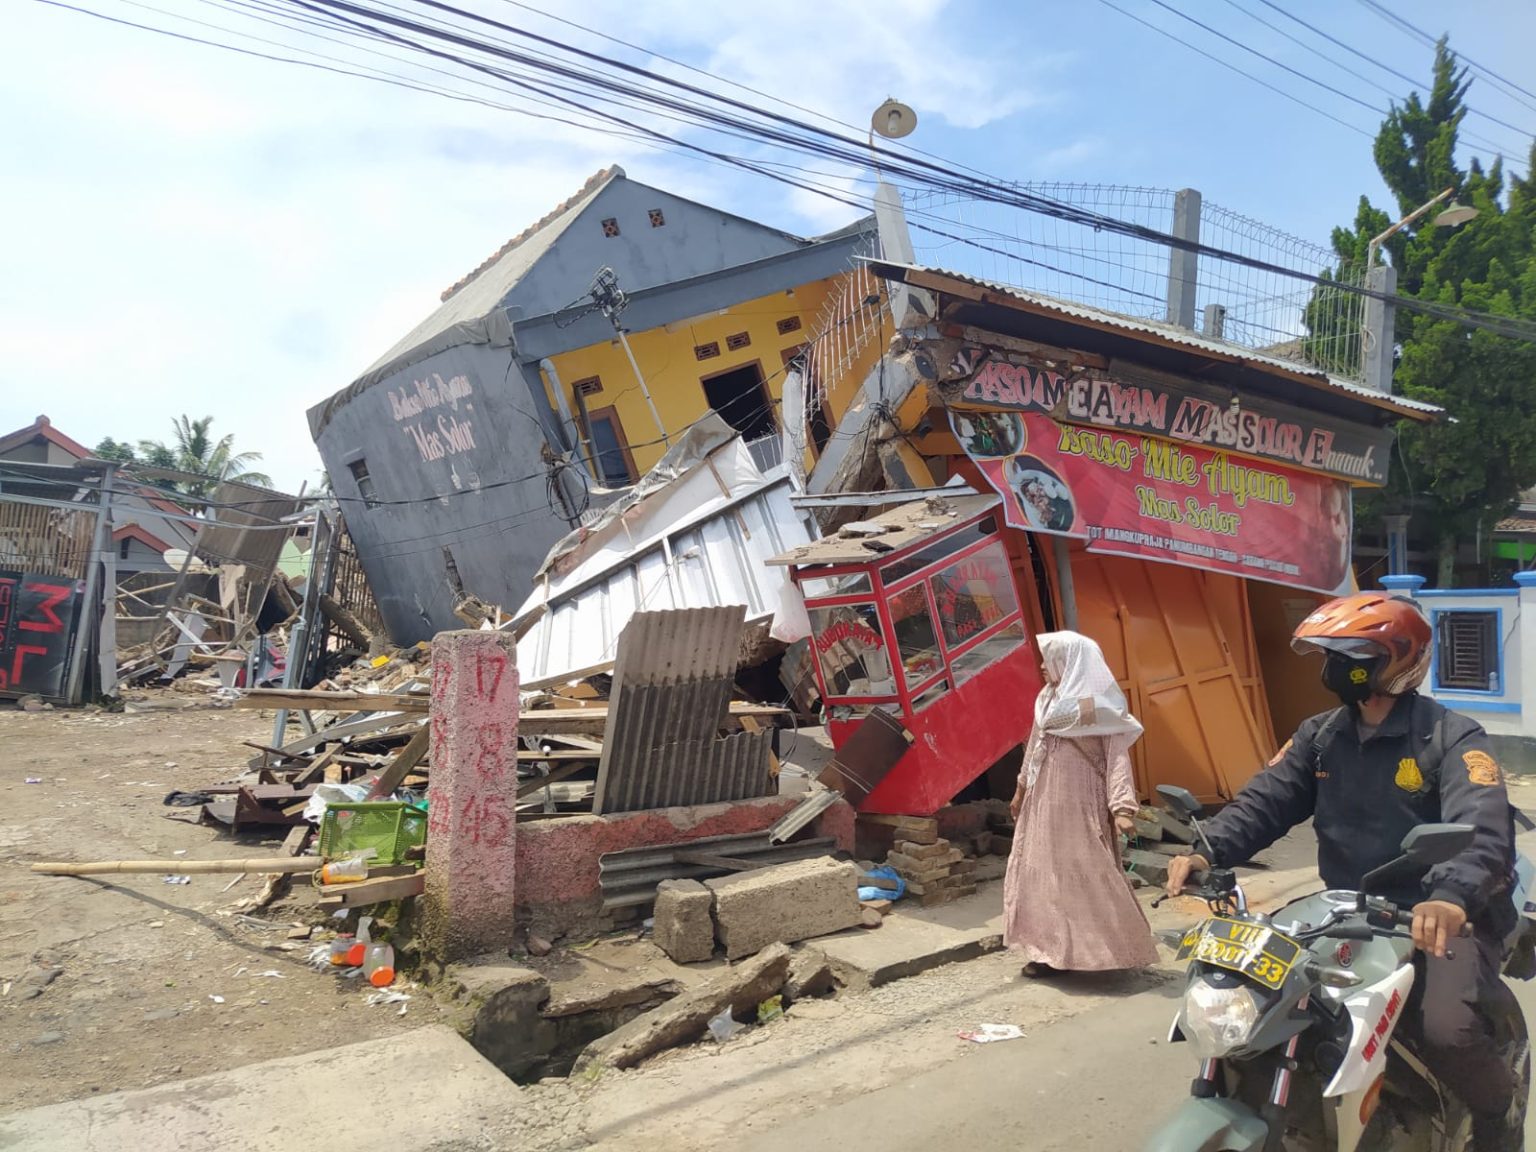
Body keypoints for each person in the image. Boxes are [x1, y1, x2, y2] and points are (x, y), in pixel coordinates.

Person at [1164, 592, 1523, 1152]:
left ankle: (1499, 1123)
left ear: (1400, 661)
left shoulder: (1452, 736)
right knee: (1267, 1002)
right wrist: (1208, 851)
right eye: (1331, 656)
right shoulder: (1321, 735)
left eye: (1352, 656)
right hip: (1345, 912)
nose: (1336, 670)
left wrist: (1451, 895)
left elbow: (1480, 825)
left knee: (1446, 1031)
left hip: (1435, 917)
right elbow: (1268, 800)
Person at [1004, 632, 1158, 976]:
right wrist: (1021, 789)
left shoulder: (1095, 705)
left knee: (1085, 872)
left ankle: (1105, 951)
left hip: (1080, 804)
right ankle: (1048, 952)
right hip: (1043, 804)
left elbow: (1116, 756)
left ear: (1071, 661)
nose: (1043, 666)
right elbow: (1034, 747)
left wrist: (1121, 808)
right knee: (1045, 876)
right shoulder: (1047, 698)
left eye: (1051, 657)